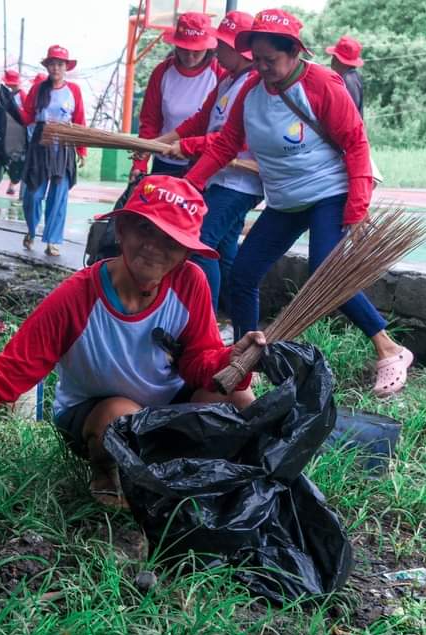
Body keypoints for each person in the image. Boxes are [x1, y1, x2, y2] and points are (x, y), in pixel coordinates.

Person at [0, 175, 265, 507]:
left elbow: (197, 363)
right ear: (121, 231)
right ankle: (104, 471)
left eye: (171, 239)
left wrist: (233, 360)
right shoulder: (78, 297)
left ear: (185, 251)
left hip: (163, 407)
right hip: (98, 415)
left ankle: (261, 478)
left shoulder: (191, 282)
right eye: (144, 230)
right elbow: (9, 372)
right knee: (121, 416)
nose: (154, 247)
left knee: (241, 397)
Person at [184, 9, 412, 397]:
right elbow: (225, 144)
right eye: (256, 59)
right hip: (285, 201)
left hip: (329, 193)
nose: (261, 67)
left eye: (270, 59)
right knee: (243, 274)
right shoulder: (251, 94)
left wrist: (356, 210)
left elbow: (356, 143)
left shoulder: (321, 84)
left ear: (293, 53)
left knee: (324, 268)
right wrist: (190, 186)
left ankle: (389, 349)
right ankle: (245, 363)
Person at [153, 11, 264, 312]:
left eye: (223, 44)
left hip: (241, 181)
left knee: (200, 245)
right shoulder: (228, 80)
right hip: (220, 176)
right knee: (224, 250)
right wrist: (158, 144)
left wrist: (186, 147)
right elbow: (201, 120)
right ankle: (230, 321)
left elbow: (233, 141)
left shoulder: (254, 84)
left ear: (240, 48)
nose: (216, 49)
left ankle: (206, 319)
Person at [133, 13, 221, 180]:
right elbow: (150, 122)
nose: (189, 56)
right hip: (164, 159)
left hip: (203, 163)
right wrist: (140, 164)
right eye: (184, 49)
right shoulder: (162, 72)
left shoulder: (219, 74)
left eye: (196, 51)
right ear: (176, 45)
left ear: (208, 48)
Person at [18, 45, 86, 257]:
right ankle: (31, 229)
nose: (56, 68)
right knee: (32, 194)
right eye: (52, 63)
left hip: (63, 147)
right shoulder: (38, 89)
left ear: (66, 67)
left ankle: (53, 240)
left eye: (60, 64)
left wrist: (82, 150)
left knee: (58, 195)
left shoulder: (73, 90)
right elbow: (27, 116)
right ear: (47, 66)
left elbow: (80, 120)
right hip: (39, 146)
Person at [1, 69, 26, 196]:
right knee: (10, 158)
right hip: (9, 132)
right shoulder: (9, 96)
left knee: (18, 159)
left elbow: (26, 114)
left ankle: (13, 185)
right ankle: (11, 184)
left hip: (19, 132)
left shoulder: (22, 95)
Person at [325, 35, 364, 114]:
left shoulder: (349, 81)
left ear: (338, 60)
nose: (332, 60)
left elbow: (349, 113)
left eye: (334, 57)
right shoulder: (352, 77)